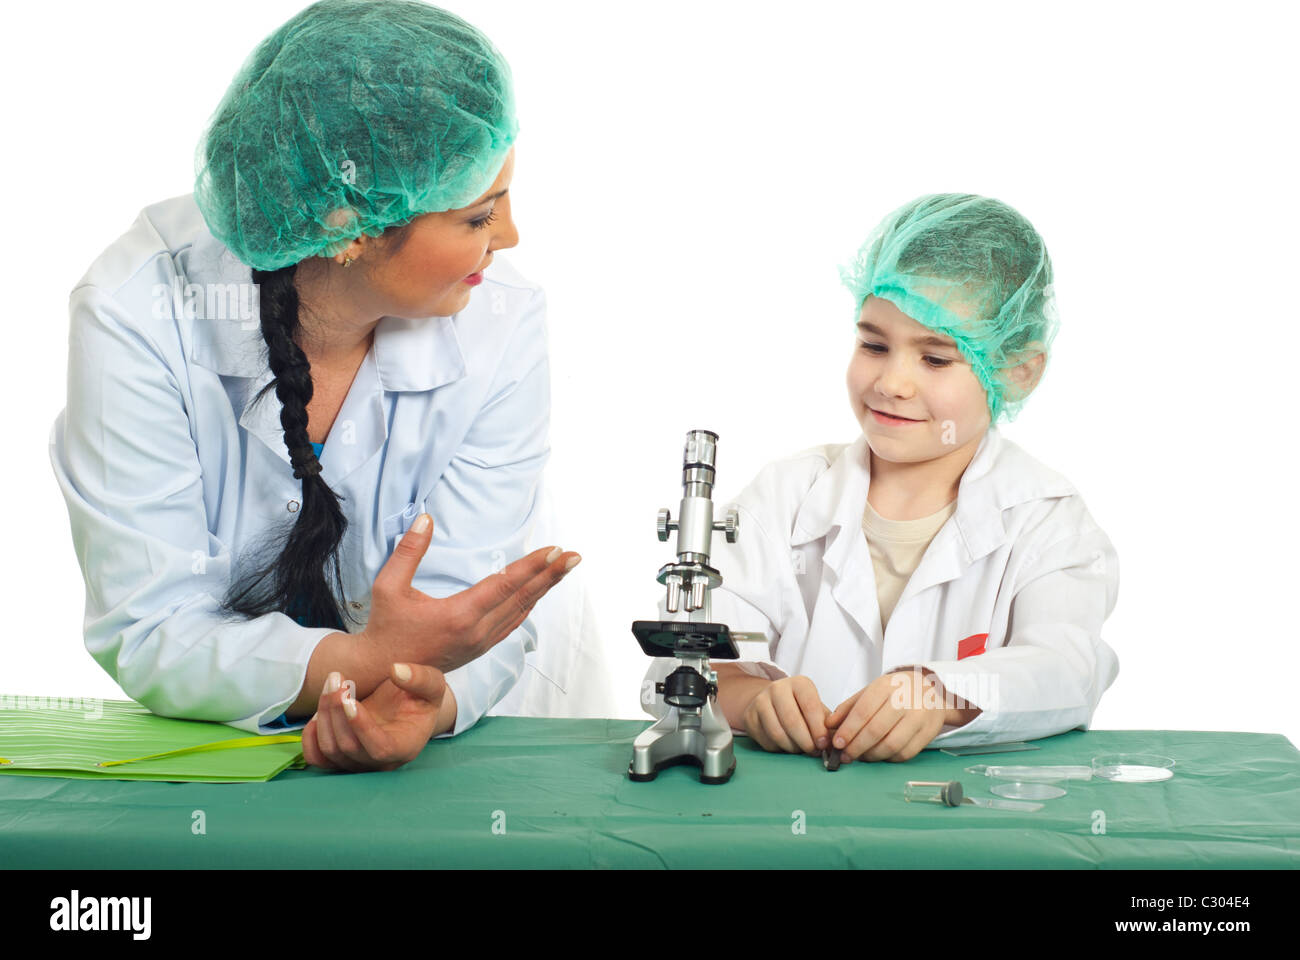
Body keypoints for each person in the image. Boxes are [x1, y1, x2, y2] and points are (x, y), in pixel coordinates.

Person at [48, 0, 587, 773]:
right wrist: (362, 662)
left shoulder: (500, 323)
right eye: (478, 216)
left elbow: (469, 609)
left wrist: (420, 702)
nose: (508, 239)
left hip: (437, 767)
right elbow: (151, 622)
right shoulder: (139, 309)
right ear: (351, 226)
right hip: (205, 755)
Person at [641, 193, 1120, 764]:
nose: (892, 382)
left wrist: (936, 694)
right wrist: (753, 698)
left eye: (936, 358)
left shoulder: (1046, 517)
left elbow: (1068, 669)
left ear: (1015, 369)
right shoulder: (785, 496)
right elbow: (681, 659)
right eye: (873, 344)